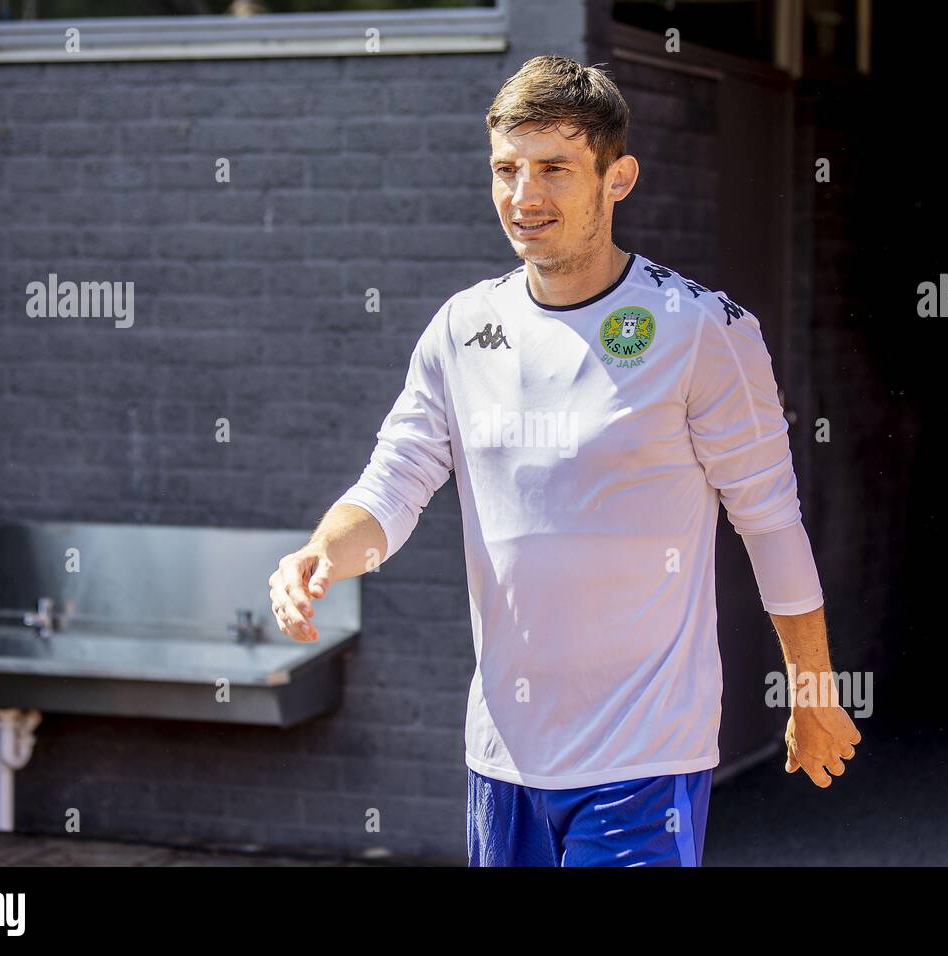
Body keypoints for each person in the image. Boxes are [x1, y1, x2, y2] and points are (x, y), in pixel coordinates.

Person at [269, 55, 861, 867]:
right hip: (503, 757)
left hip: (645, 758)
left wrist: (814, 686)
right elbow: (393, 486)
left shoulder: (701, 331)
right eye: (506, 170)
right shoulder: (460, 328)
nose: (524, 197)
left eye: (553, 169)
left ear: (618, 178)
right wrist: (320, 554)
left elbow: (770, 521)